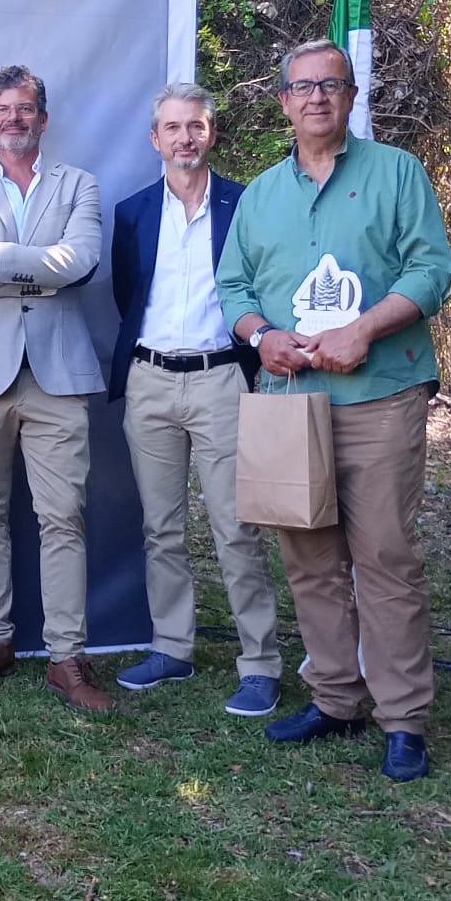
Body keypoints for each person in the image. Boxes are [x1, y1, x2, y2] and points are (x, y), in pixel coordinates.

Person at [215, 39, 451, 781]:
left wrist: (364, 329)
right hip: (293, 402)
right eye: (302, 87)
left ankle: (402, 719)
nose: (317, 97)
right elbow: (234, 290)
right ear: (283, 102)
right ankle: (335, 698)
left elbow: (431, 270)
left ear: (351, 98)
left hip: (380, 395)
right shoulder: (259, 196)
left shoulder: (396, 173)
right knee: (311, 561)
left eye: (331, 85)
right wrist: (263, 336)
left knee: (384, 557)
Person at [0, 65, 112, 712]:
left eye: (26, 107)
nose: (14, 117)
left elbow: (81, 261)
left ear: (43, 117)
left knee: (63, 516)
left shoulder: (79, 185)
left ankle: (67, 658)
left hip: (58, 375)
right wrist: (34, 268)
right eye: (3, 108)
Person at [108, 84, 279, 715]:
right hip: (150, 380)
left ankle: (259, 662)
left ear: (211, 134)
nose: (185, 138)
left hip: (221, 379)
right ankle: (171, 647)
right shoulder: (132, 212)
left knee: (237, 527)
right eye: (172, 127)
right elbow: (129, 295)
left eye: (196, 127)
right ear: (155, 139)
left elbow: (262, 283)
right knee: (161, 527)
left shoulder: (246, 204)